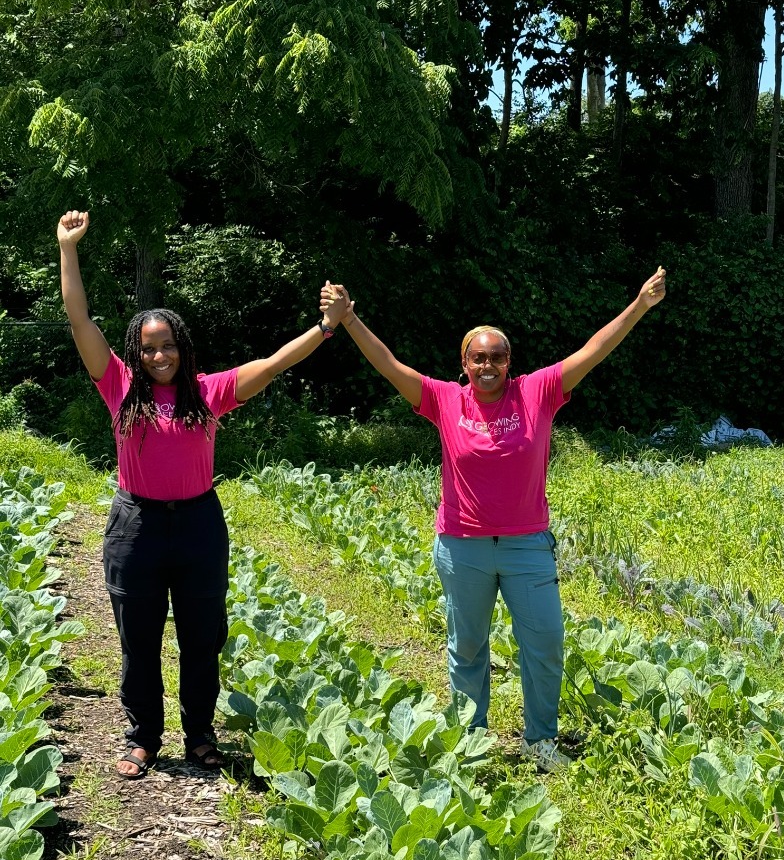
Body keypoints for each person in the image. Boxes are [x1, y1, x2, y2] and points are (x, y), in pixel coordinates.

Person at [321, 269, 666, 771]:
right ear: (464, 364)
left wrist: (638, 305)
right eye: (478, 357)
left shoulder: (538, 392)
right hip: (463, 547)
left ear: (510, 362)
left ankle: (540, 739)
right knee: (468, 646)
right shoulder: (444, 399)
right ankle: (471, 738)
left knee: (545, 640)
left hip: (527, 545)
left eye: (497, 357)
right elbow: (388, 365)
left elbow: (593, 350)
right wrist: (348, 319)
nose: (488, 365)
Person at [58, 210, 347, 779]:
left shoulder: (209, 392)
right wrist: (69, 250)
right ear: (135, 354)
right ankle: (142, 737)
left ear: (182, 348)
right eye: (148, 348)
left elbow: (273, 364)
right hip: (135, 526)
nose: (158, 355)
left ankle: (199, 736)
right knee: (137, 637)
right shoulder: (116, 384)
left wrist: (326, 328)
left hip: (198, 526)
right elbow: (79, 320)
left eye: (167, 346)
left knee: (200, 637)